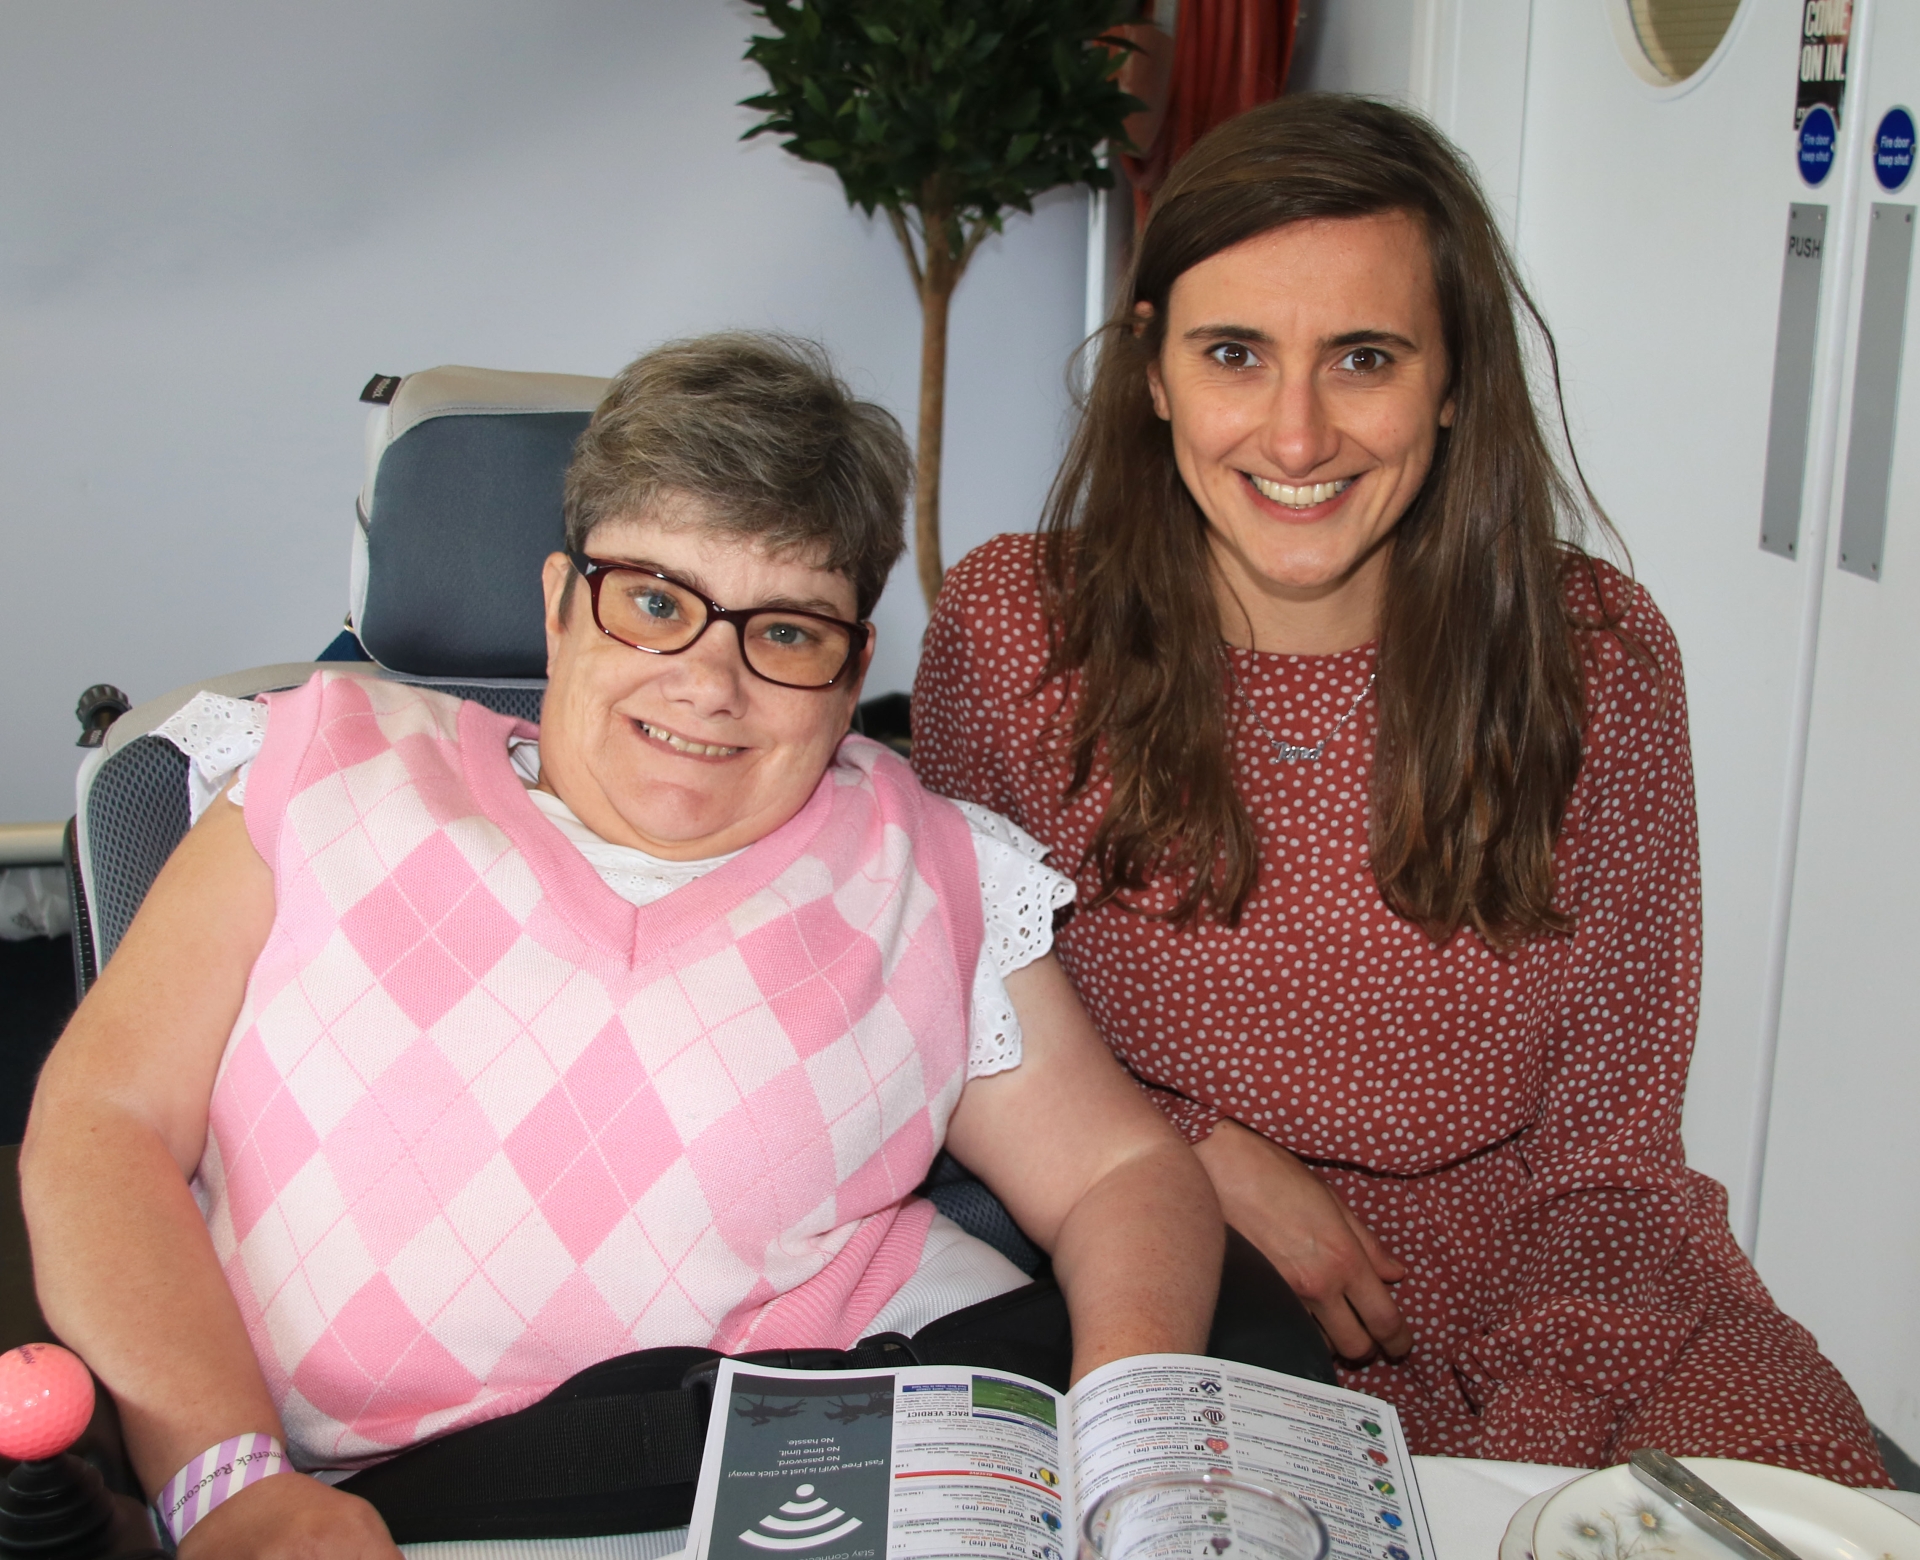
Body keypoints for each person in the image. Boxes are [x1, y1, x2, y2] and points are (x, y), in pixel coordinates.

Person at [20, 334, 1254, 1559]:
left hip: (833, 1472)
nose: (711, 685)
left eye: (785, 634)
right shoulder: (321, 771)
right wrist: (227, 1486)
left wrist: (1124, 1448)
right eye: (657, 603)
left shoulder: (923, 861)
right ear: (560, 606)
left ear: (852, 669)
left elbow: (1115, 1175)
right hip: (374, 1511)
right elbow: (104, 1121)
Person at [911, 96, 1892, 1485]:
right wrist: (1186, 1150)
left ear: (1451, 379)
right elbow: (946, 1012)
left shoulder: (1595, 655)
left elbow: (1610, 1146)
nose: (1297, 436)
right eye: (1235, 353)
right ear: (1153, 372)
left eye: (1363, 357)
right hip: (1187, 1282)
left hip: (1578, 1282)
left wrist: (1533, 1461)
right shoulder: (1017, 631)